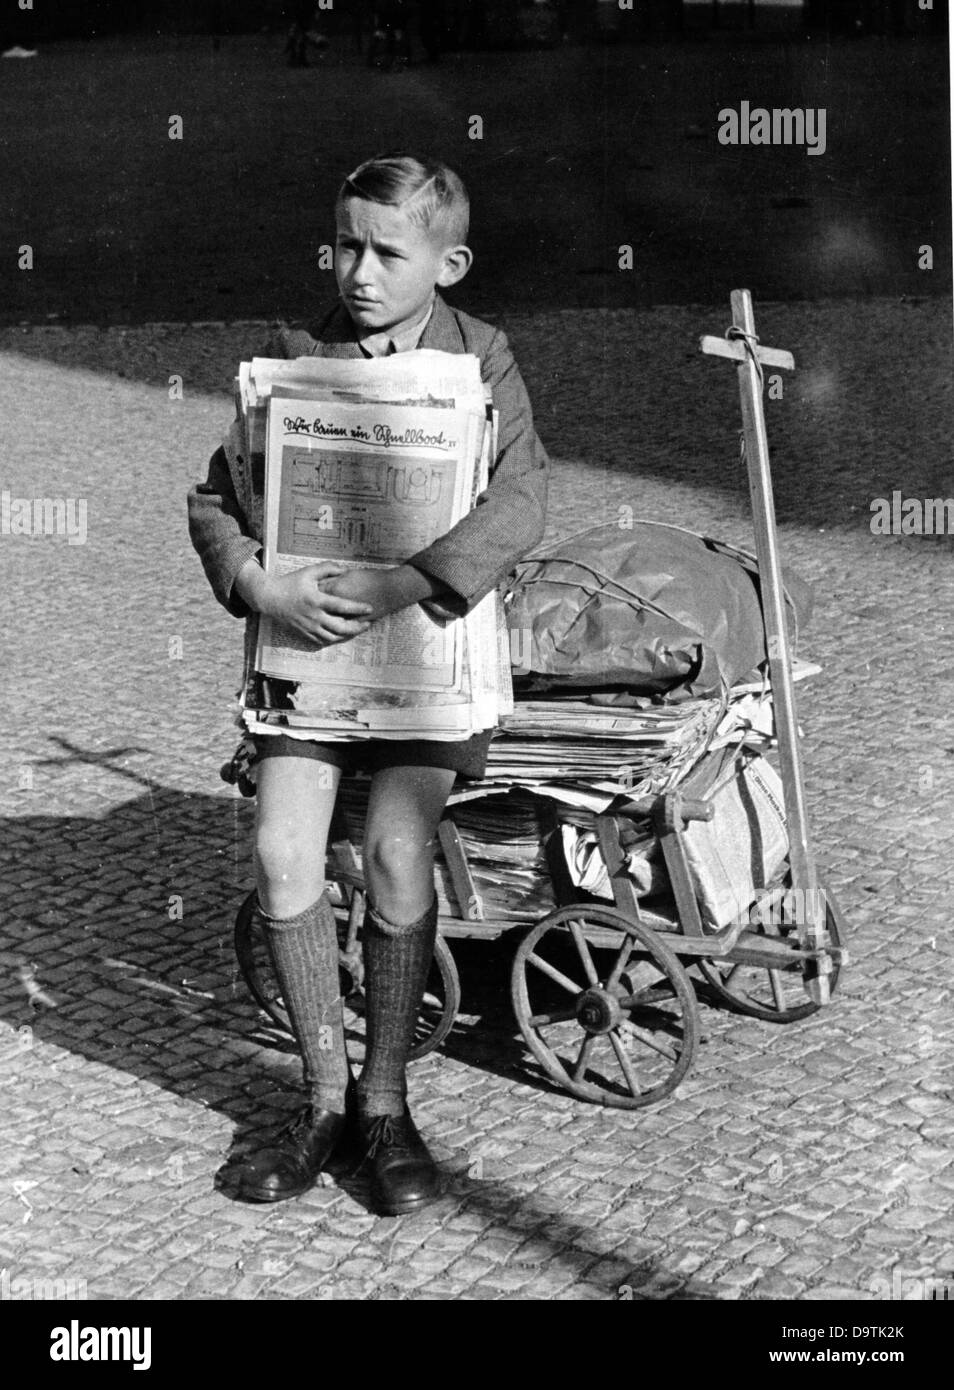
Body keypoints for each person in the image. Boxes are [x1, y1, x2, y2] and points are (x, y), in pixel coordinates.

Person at [188, 153, 549, 1215]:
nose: (360, 270)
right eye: (346, 243)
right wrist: (257, 578)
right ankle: (321, 1101)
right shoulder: (293, 356)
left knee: (398, 850)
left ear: (450, 259)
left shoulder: (483, 358)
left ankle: (387, 1106)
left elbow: (523, 500)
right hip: (312, 660)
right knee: (280, 845)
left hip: (424, 661)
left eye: (389, 252)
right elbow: (218, 498)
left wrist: (411, 578)